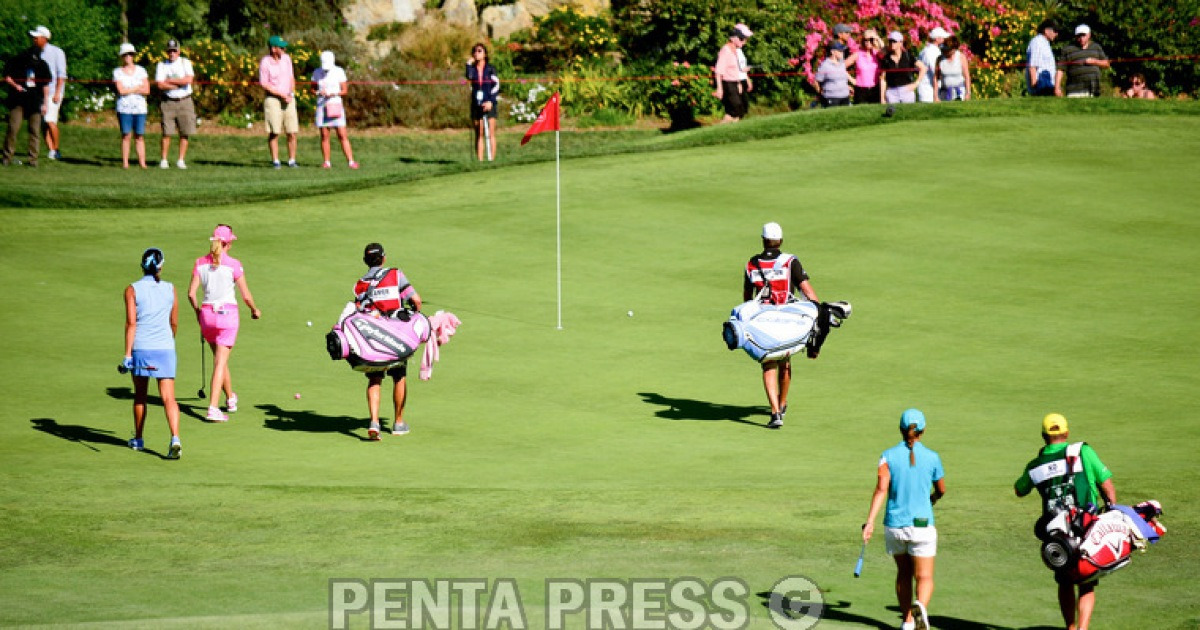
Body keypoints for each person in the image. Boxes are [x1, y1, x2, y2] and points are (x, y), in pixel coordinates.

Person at [1015, 413, 1116, 630]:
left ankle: (1070, 627)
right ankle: (1083, 628)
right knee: (1087, 580)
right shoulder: (1082, 451)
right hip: (1087, 525)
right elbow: (1106, 484)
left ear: (1044, 436)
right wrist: (1112, 509)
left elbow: (1019, 489)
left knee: (1065, 580)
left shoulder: (1035, 465)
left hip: (1057, 533)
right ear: (1067, 433)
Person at [863, 409, 946, 630]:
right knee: (924, 576)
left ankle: (907, 622)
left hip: (895, 526)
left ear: (901, 429)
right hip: (922, 525)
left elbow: (881, 489)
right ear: (923, 431)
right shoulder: (933, 457)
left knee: (904, 573)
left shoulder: (887, 456)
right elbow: (941, 489)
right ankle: (920, 605)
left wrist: (869, 522)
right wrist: (933, 498)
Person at [742, 222, 819, 429]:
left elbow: (747, 300)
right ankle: (782, 403)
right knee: (785, 361)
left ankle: (775, 412)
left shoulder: (751, 263)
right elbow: (807, 291)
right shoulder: (790, 261)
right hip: (786, 319)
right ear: (781, 241)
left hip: (762, 321)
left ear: (763, 240)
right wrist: (816, 312)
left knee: (768, 363)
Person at [347, 243, 423, 440]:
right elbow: (416, 300)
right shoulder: (395, 275)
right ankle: (398, 423)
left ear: (365, 261)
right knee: (399, 376)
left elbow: (359, 312)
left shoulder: (359, 285)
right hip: (396, 336)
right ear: (383, 258)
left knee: (375, 379)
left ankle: (374, 422)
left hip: (374, 339)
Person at [187, 225, 262, 422]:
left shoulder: (200, 263)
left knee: (221, 359)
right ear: (227, 243)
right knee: (220, 361)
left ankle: (230, 398)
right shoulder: (234, 264)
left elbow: (191, 294)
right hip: (227, 316)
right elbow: (246, 296)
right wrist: (255, 310)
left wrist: (197, 313)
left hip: (207, 316)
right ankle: (212, 408)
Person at [123, 248, 182, 459]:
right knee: (169, 398)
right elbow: (173, 322)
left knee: (140, 395)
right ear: (160, 266)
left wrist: (127, 355)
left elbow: (131, 323)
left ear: (142, 266)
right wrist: (168, 341)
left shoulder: (132, 290)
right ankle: (175, 438)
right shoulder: (171, 289)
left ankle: (138, 439)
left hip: (142, 348)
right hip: (165, 348)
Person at [2, 36, 52, 167]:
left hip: (35, 101)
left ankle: (33, 159)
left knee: (34, 130)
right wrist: (15, 86)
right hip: (18, 100)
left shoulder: (42, 66)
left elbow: (46, 86)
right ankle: (7, 157)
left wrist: (46, 103)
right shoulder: (17, 62)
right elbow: (7, 77)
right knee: (13, 128)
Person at [312, 50, 358, 169]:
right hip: (322, 105)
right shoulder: (317, 72)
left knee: (342, 134)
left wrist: (333, 93)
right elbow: (312, 88)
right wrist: (318, 92)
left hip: (335, 104)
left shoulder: (339, 71)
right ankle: (327, 162)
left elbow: (344, 90)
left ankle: (351, 161)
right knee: (324, 134)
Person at [155, 39, 196, 169]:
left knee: (185, 132)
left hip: (185, 101)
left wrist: (171, 81)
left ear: (178, 51)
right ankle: (164, 159)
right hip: (168, 102)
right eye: (170, 51)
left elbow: (188, 79)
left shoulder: (185, 62)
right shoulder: (162, 65)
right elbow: (160, 84)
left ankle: (181, 160)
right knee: (167, 132)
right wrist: (178, 84)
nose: (172, 53)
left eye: (174, 51)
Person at [259, 35, 298, 169]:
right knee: (274, 131)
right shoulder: (266, 62)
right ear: (273, 48)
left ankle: (292, 160)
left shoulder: (287, 59)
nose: (284, 49)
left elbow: (291, 78)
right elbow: (264, 83)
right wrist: (280, 94)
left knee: (292, 131)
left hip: (289, 99)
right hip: (273, 100)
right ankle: (276, 160)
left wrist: (290, 93)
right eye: (281, 47)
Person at [30, 26, 66, 161]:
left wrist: (57, 92)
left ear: (44, 38)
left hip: (53, 92)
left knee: (51, 121)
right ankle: (51, 150)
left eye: (36, 37)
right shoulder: (34, 53)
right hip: (39, 93)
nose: (34, 39)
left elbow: (61, 74)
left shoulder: (57, 52)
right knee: (44, 123)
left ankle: (56, 149)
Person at [113, 43, 150, 169]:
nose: (128, 57)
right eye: (125, 54)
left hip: (140, 108)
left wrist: (130, 89)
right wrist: (136, 88)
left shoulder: (141, 71)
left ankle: (142, 162)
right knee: (126, 135)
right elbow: (121, 91)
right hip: (124, 108)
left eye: (130, 54)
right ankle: (125, 163)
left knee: (139, 135)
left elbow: (147, 90)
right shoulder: (117, 72)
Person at [465, 43, 499, 161]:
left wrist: (491, 101)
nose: (476, 53)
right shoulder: (472, 69)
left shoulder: (490, 69)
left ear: (485, 54)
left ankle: (492, 160)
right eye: (475, 51)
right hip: (477, 103)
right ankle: (480, 161)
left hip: (489, 102)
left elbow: (496, 85)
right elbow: (469, 76)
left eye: (479, 51)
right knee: (479, 132)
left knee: (490, 132)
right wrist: (468, 64)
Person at [1057, 25, 1109, 98]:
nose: (1081, 38)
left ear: (1089, 35)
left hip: (1093, 89)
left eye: (1083, 35)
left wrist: (1095, 61)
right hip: (1074, 90)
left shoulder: (1096, 47)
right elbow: (1060, 69)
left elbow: (1106, 64)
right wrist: (1057, 87)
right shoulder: (1068, 49)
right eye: (1078, 36)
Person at [713, 24, 752, 123]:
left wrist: (739, 83)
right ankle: (726, 125)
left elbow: (736, 70)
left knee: (743, 108)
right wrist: (719, 89)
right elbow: (718, 71)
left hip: (735, 83)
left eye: (745, 39)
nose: (744, 41)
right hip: (728, 84)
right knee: (736, 109)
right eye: (742, 38)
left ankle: (730, 125)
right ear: (733, 38)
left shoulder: (737, 51)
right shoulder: (725, 50)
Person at [880, 31, 924, 105]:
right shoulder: (886, 59)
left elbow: (923, 68)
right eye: (890, 41)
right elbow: (883, 79)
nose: (891, 43)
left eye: (894, 41)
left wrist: (916, 83)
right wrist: (882, 98)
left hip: (907, 90)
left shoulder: (908, 56)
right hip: (892, 91)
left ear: (900, 43)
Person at [1027, 20, 1060, 96]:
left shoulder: (1045, 43)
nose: (1056, 34)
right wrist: (1035, 87)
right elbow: (1033, 65)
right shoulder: (1038, 42)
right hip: (1041, 86)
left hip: (1047, 85)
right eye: (1055, 30)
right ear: (1046, 30)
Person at [852, 29, 884, 105]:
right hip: (861, 90)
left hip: (875, 89)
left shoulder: (877, 54)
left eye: (870, 40)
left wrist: (877, 38)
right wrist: (852, 80)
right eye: (865, 40)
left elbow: (885, 53)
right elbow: (842, 66)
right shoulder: (858, 54)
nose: (868, 42)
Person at [917, 27, 949, 102]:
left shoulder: (930, 50)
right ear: (937, 39)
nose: (944, 40)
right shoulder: (930, 52)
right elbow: (935, 71)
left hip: (933, 88)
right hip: (928, 90)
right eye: (943, 38)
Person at [814, 43, 852, 107]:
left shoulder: (842, 63)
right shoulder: (825, 65)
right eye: (840, 51)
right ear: (833, 52)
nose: (842, 53)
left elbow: (841, 79)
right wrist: (821, 93)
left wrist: (847, 87)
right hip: (831, 97)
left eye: (843, 51)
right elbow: (816, 81)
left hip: (845, 96)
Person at [935, 36, 971, 101]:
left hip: (959, 92)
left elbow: (967, 76)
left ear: (954, 49)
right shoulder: (940, 59)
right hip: (944, 92)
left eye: (948, 50)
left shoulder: (961, 57)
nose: (946, 51)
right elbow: (935, 78)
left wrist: (968, 93)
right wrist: (935, 96)